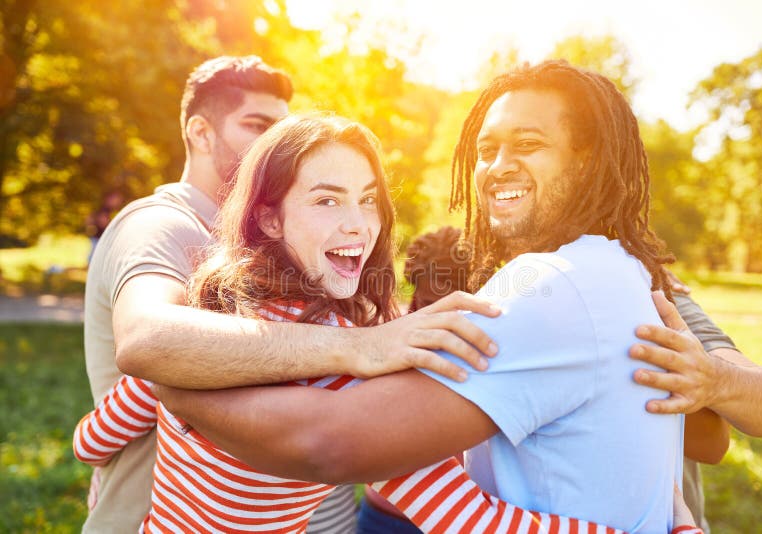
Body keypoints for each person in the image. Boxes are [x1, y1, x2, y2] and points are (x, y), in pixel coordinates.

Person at [155, 61, 723, 532]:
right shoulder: (619, 269)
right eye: (486, 148)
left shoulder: (547, 286)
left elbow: (337, 442)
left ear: (588, 159)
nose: (498, 167)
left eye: (529, 144)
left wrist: (180, 390)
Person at [82, 55, 500, 534]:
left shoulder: (244, 282)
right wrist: (359, 348)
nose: (272, 145)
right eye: (256, 126)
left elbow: (98, 434)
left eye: (367, 200)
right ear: (200, 133)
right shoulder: (165, 227)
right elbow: (149, 345)